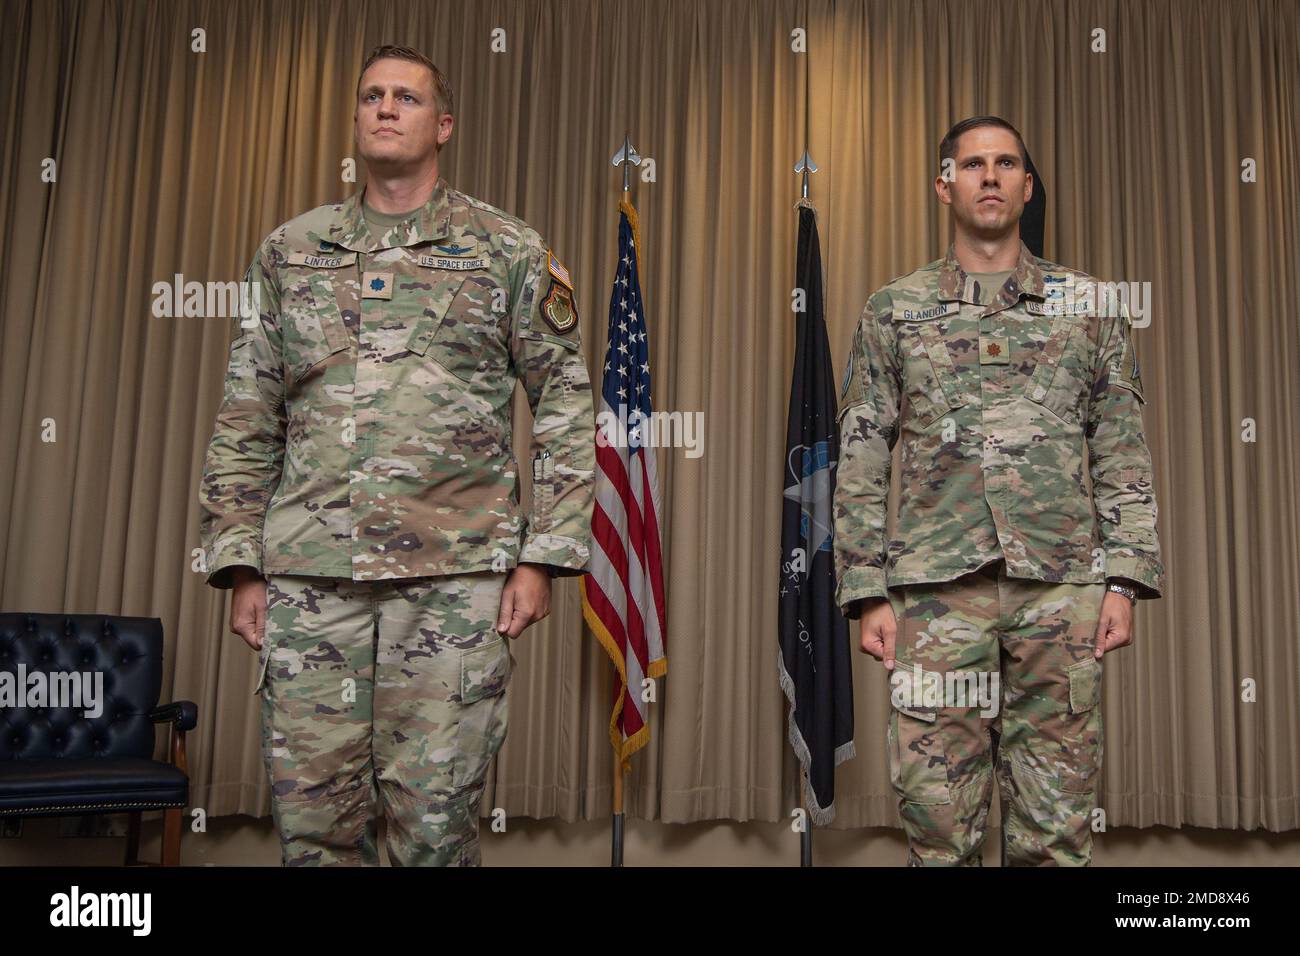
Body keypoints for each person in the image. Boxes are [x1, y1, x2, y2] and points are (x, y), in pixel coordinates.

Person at [198, 44, 595, 866]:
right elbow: (247, 412)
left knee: (435, 833)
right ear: (355, 119)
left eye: (406, 98)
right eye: (372, 96)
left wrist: (545, 557)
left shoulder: (505, 250)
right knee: (314, 831)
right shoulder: (290, 251)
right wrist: (241, 562)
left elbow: (564, 401)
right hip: (310, 582)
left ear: (441, 125)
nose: (386, 108)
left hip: (455, 584)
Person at [833, 116, 1164, 866]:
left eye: (1006, 163)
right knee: (939, 826)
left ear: (1027, 185)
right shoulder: (894, 309)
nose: (990, 176)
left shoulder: (1091, 305)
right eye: (973, 164)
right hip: (933, 595)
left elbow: (1121, 448)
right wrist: (865, 591)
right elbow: (859, 458)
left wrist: (1124, 578)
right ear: (943, 184)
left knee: (1056, 828)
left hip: (1062, 591)